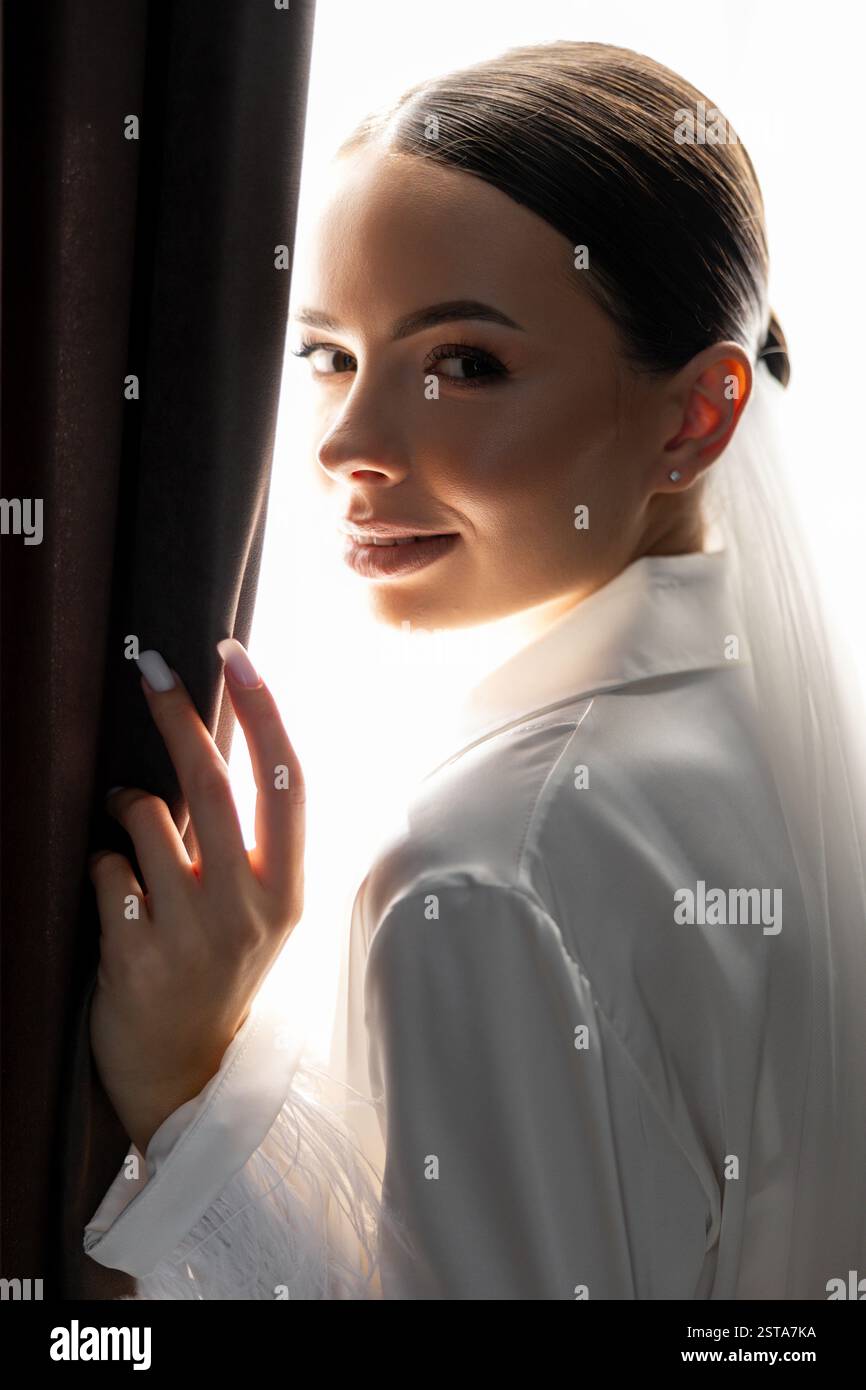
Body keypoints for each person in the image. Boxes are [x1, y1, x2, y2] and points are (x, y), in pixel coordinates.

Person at [82, 41, 866, 1299]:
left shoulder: (488, 872)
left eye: (462, 363)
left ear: (692, 416)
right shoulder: (780, 740)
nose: (347, 443)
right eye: (329, 353)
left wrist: (184, 1095)